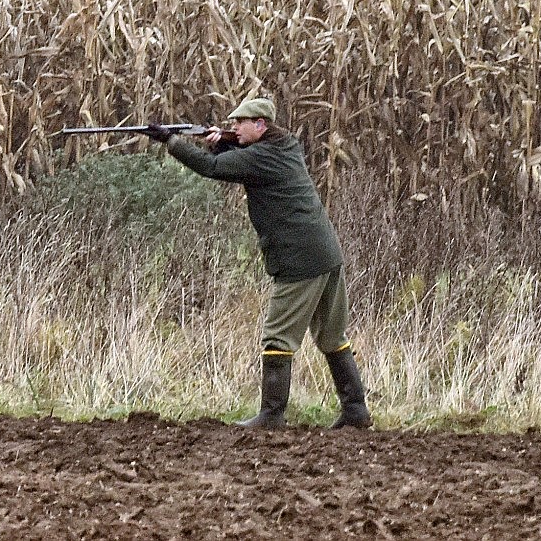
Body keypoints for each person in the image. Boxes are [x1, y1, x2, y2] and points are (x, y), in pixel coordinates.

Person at [140, 98, 372, 429]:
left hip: (299, 258)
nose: (233, 127)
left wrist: (172, 141)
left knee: (278, 338)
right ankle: (355, 411)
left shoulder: (264, 155)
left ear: (260, 124)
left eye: (240, 123)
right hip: (324, 253)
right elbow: (233, 165)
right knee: (332, 336)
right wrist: (221, 144)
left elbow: (213, 169)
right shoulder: (282, 147)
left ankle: (272, 415)